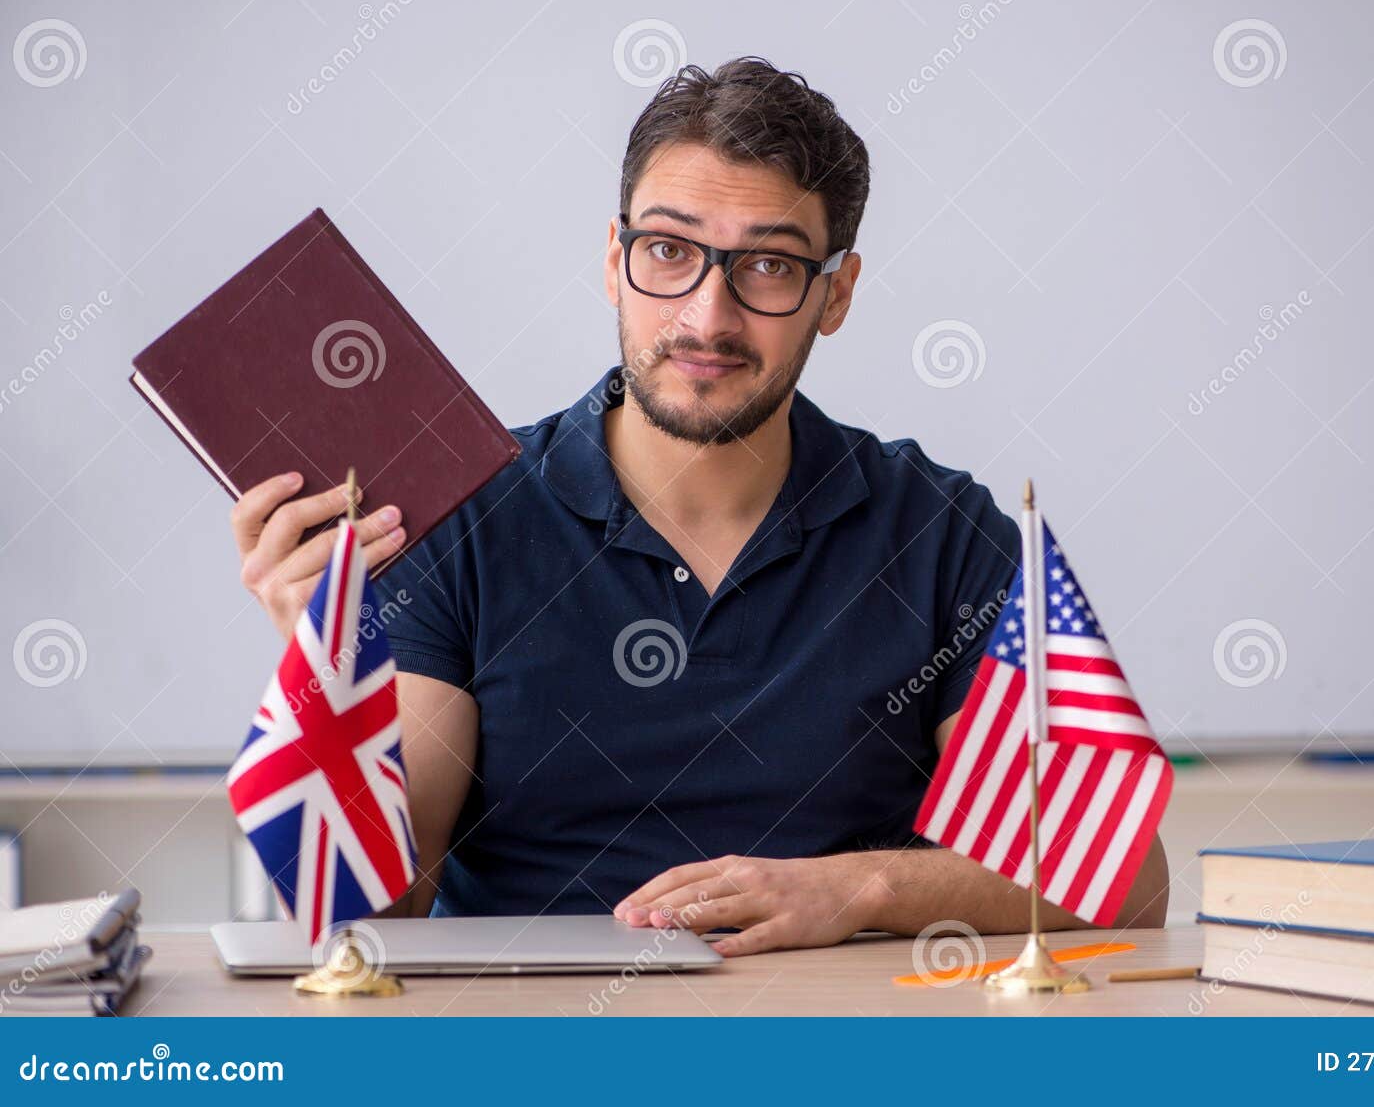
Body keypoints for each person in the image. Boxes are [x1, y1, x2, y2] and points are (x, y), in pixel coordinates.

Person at [229, 57, 1168, 957]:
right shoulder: (458, 516)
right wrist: (323, 670)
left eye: (767, 266)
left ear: (834, 294)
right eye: (670, 251)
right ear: (614, 259)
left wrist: (855, 889)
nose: (708, 318)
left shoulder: (935, 529)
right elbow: (369, 916)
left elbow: (1124, 879)